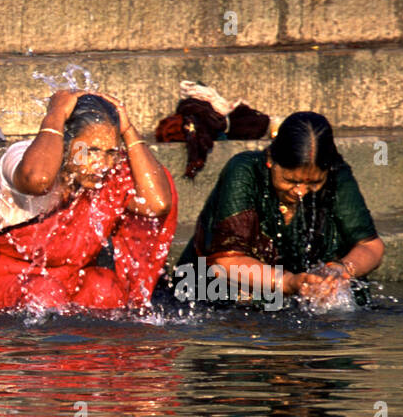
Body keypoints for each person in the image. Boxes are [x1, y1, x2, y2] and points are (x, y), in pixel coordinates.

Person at [0, 91, 176, 312]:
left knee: (105, 289)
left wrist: (128, 131)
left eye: (110, 152)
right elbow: (38, 181)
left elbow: (157, 203)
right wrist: (56, 114)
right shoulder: (22, 157)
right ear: (66, 142)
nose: (102, 164)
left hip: (65, 282)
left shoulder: (106, 173)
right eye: (91, 150)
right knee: (44, 293)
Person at [160, 111, 384, 309]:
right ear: (270, 160)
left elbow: (370, 245)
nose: (301, 192)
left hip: (295, 302)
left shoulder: (337, 175)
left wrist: (339, 271)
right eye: (290, 180)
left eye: (314, 183)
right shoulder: (244, 171)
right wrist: (288, 283)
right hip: (220, 299)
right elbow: (225, 263)